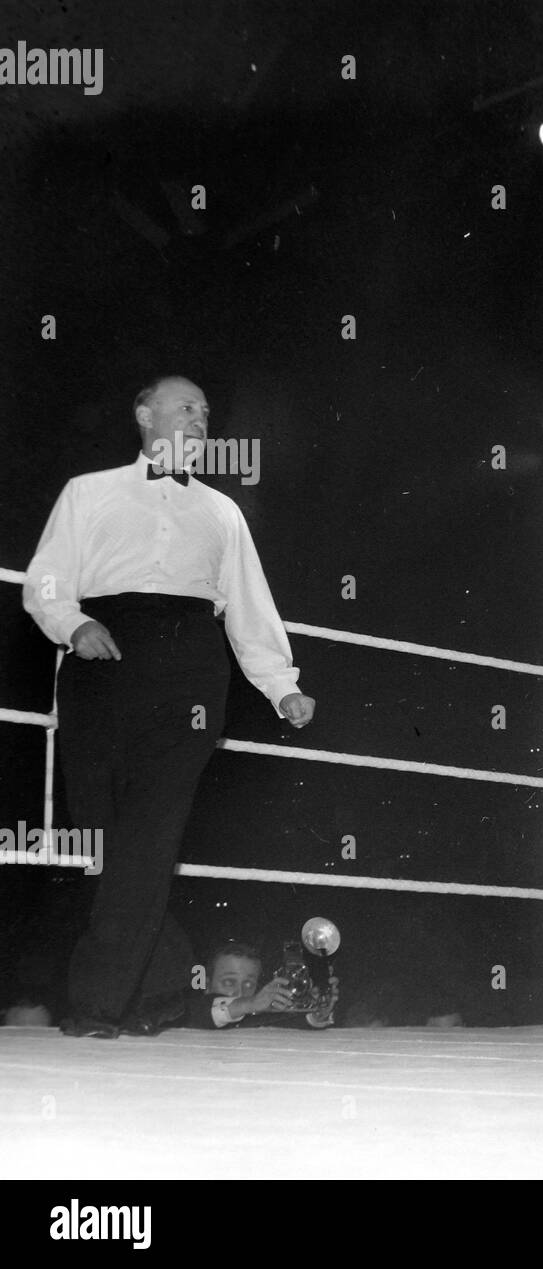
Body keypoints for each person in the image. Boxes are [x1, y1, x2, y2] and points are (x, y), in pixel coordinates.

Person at [23, 376, 316, 1039]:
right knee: (100, 837)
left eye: (207, 412)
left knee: (152, 835)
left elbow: (249, 605)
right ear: (144, 414)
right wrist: (72, 625)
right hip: (101, 659)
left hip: (187, 670)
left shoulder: (222, 513)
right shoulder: (88, 492)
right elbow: (46, 576)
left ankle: (97, 1002)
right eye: (187, 406)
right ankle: (159, 988)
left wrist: (280, 684)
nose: (201, 419)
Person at [185, 941, 338, 1029]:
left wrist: (317, 1012)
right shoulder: (184, 1012)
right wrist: (249, 1003)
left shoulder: (254, 1017)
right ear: (206, 985)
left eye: (249, 984)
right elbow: (198, 1011)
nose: (239, 992)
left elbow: (287, 1024)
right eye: (228, 982)